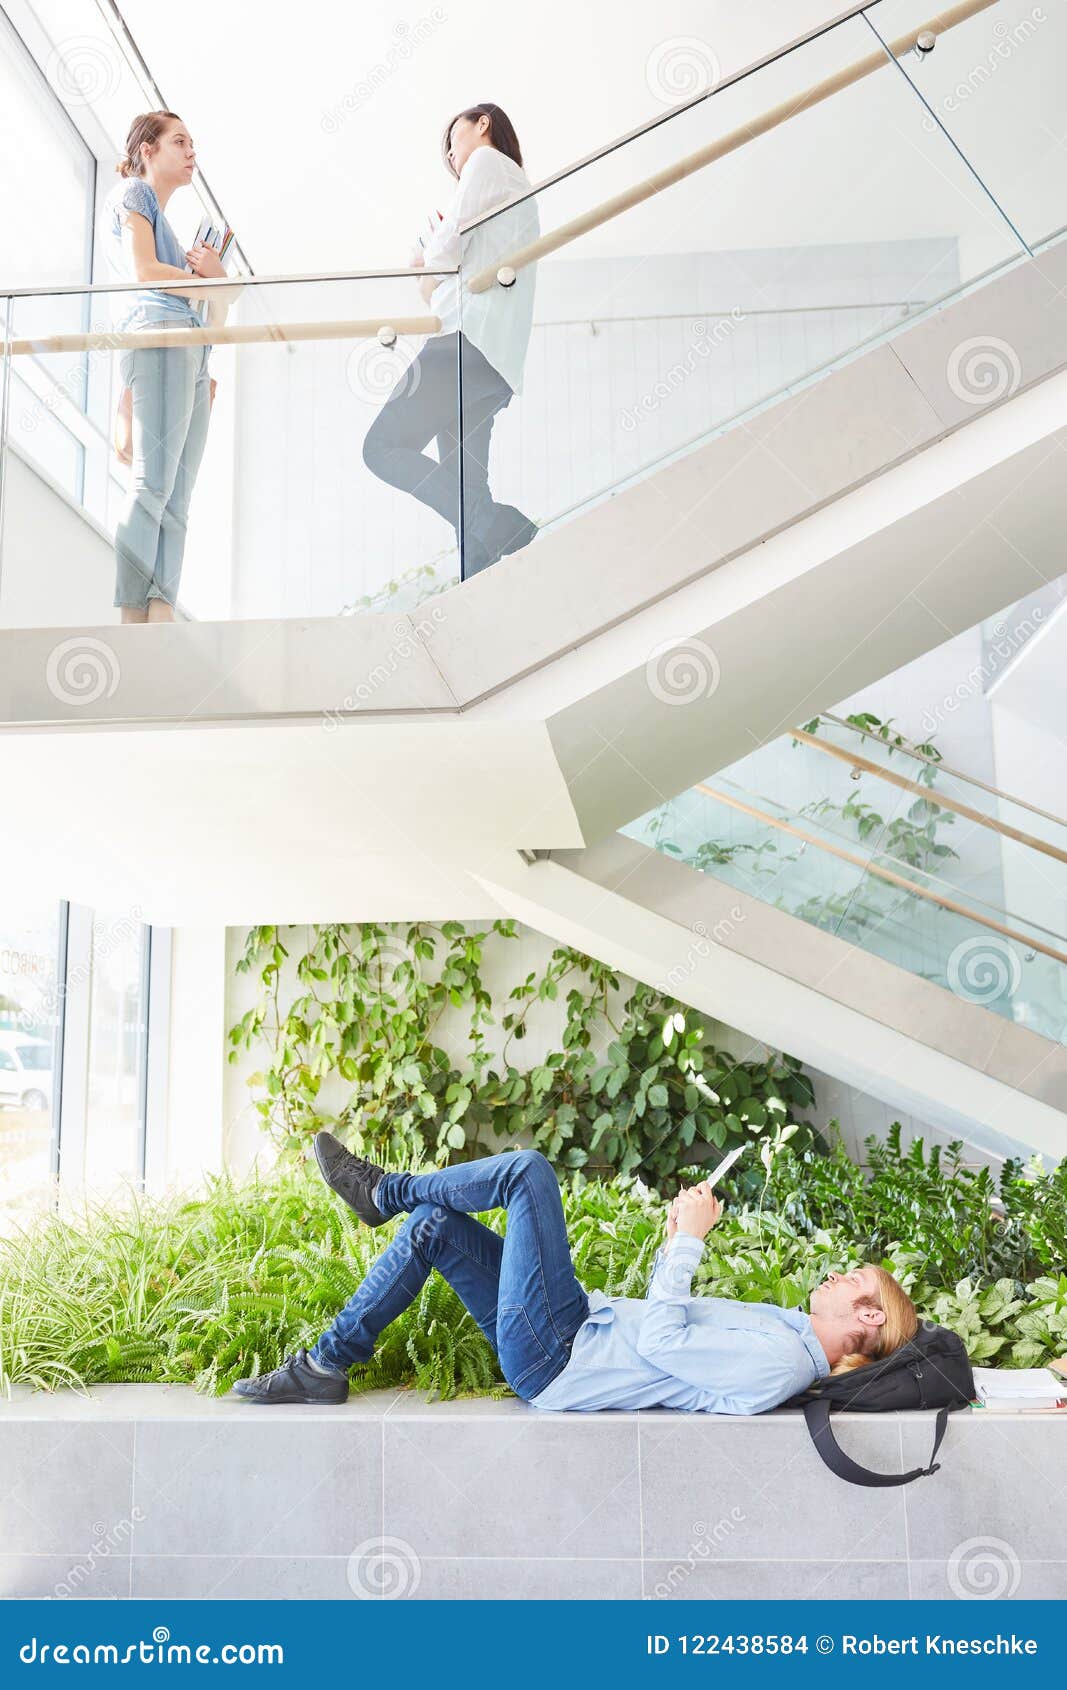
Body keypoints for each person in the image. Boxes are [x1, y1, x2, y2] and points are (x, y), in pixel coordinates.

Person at [232, 1137, 918, 1408]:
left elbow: (659, 1345)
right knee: (437, 1228)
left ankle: (383, 1193)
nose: (834, 1278)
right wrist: (676, 1238)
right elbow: (665, 1324)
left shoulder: (782, 1366)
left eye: (851, 1282)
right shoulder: (785, 1332)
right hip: (575, 1328)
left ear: (868, 1318)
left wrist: (690, 1250)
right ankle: (325, 1366)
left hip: (559, 1355)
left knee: (528, 1171)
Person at [362, 103, 540, 578]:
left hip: (463, 344)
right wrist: (433, 266)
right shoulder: (516, 196)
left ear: (482, 124)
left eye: (452, 137)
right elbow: (436, 285)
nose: (450, 152)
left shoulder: (487, 162)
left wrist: (427, 252)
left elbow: (440, 256)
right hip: (494, 361)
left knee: (380, 449)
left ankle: (498, 523)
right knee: (467, 490)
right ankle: (479, 581)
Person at [101, 111, 229, 622]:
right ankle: (133, 619)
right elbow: (144, 272)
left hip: (189, 349)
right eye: (180, 141)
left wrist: (208, 280)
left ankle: (160, 615)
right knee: (152, 488)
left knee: (177, 498)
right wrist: (207, 282)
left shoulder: (166, 222)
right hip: (160, 336)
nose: (191, 150)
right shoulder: (135, 193)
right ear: (147, 149)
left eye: (193, 142)